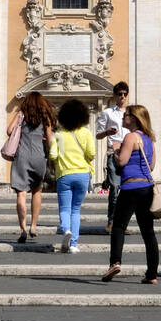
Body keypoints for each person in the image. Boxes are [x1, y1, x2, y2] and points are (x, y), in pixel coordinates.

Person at [102, 104, 160, 284]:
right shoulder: (149, 139)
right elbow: (151, 166)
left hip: (130, 188)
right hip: (146, 187)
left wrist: (117, 148)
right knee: (148, 232)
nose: (123, 117)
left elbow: (121, 162)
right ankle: (152, 274)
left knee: (118, 226)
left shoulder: (130, 137)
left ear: (134, 118)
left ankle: (115, 262)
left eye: (126, 115)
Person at [6, 91, 55, 242]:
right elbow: (50, 139)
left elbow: (9, 131)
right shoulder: (45, 116)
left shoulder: (22, 114)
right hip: (39, 156)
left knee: (21, 193)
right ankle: (33, 225)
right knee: (37, 191)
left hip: (22, 156)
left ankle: (23, 228)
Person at [51, 99, 97, 253]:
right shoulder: (86, 133)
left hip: (64, 174)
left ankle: (65, 230)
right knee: (76, 209)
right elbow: (92, 153)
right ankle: (74, 245)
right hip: (83, 174)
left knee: (65, 208)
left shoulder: (58, 134)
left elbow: (52, 155)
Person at [95, 82, 130, 232]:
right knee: (115, 188)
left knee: (128, 191)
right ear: (115, 95)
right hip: (113, 153)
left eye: (125, 94)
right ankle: (111, 221)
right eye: (120, 94)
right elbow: (98, 134)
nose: (122, 96)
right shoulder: (107, 113)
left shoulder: (131, 113)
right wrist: (107, 132)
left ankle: (123, 223)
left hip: (130, 153)